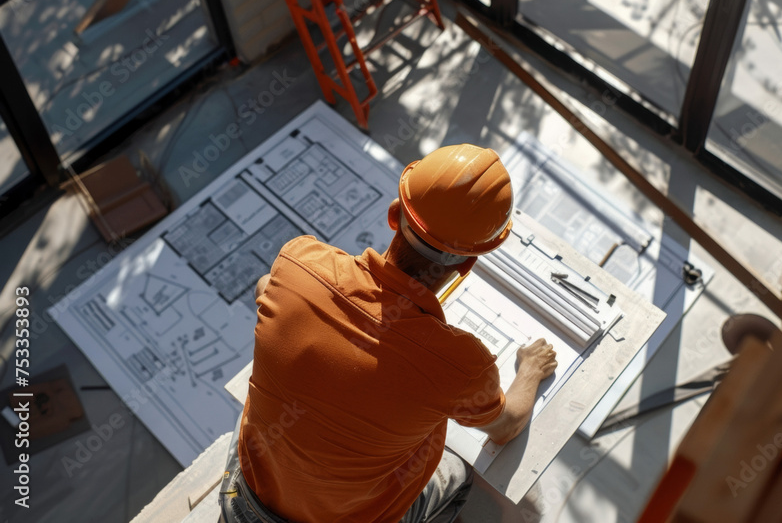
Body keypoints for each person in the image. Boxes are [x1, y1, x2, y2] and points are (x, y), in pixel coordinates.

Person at [220, 144, 558, 523]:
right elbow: (506, 427)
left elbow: (265, 286)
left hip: (243, 499)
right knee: (459, 475)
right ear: (467, 264)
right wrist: (531, 369)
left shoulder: (298, 262)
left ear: (395, 214)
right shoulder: (460, 366)